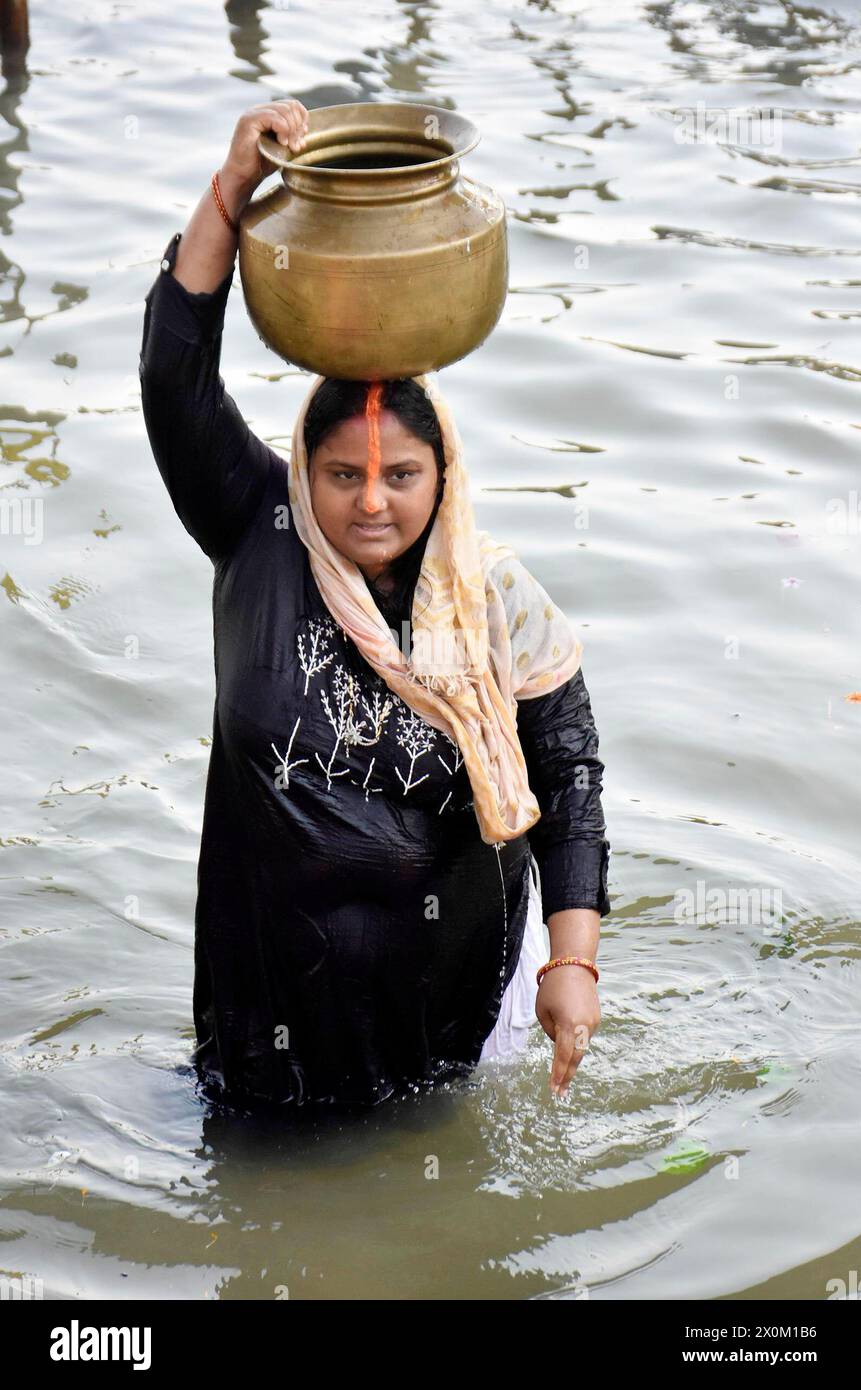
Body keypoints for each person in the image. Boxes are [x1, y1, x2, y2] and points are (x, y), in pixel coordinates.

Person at [139, 99, 611, 1115]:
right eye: (340, 472)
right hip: (269, 1029)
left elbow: (569, 779)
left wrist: (572, 963)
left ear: (444, 474)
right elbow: (174, 378)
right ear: (298, 473)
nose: (369, 501)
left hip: (454, 1029)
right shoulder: (259, 535)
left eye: (401, 472)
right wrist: (234, 187)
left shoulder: (498, 601)